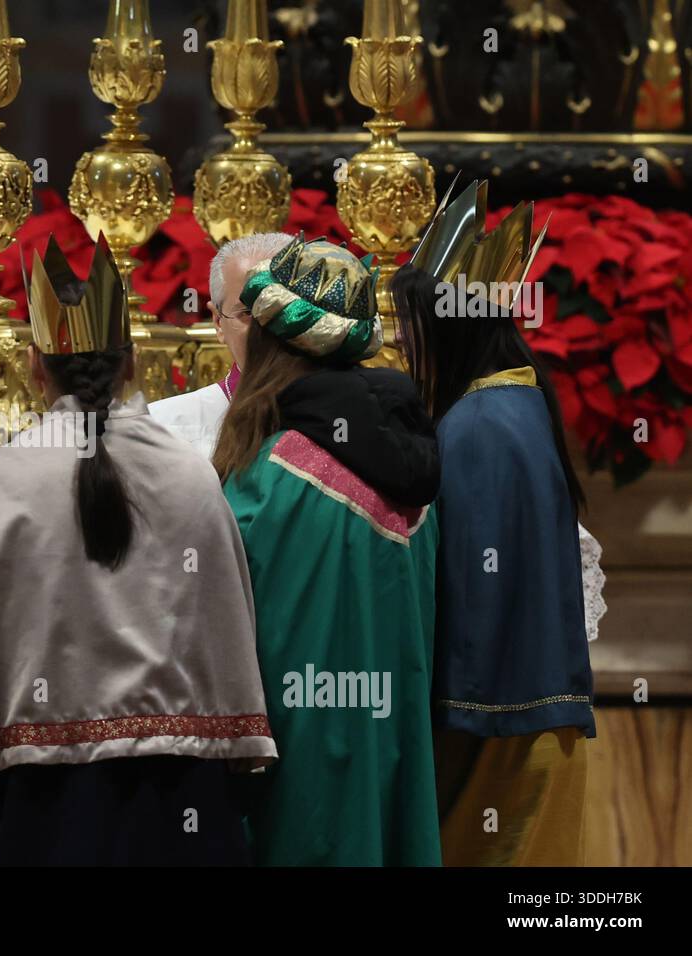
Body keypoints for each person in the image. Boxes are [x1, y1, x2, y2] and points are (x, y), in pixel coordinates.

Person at [0, 236, 277, 866]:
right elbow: (227, 627)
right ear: (132, 361)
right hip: (176, 793)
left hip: (39, 796)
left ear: (34, 365)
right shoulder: (190, 473)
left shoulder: (8, 476)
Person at [216, 234, 443, 865]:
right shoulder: (418, 476)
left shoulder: (268, 475)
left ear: (267, 340)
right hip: (392, 740)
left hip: (297, 755)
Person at [393, 180, 596, 866]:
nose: (401, 339)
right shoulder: (514, 397)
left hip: (495, 736)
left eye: (411, 325)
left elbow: (469, 605)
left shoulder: (477, 427)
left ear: (446, 327)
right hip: (533, 726)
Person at [149, 233, 293, 456]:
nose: (265, 329)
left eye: (285, 309)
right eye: (247, 313)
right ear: (218, 322)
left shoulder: (353, 417)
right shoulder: (162, 428)